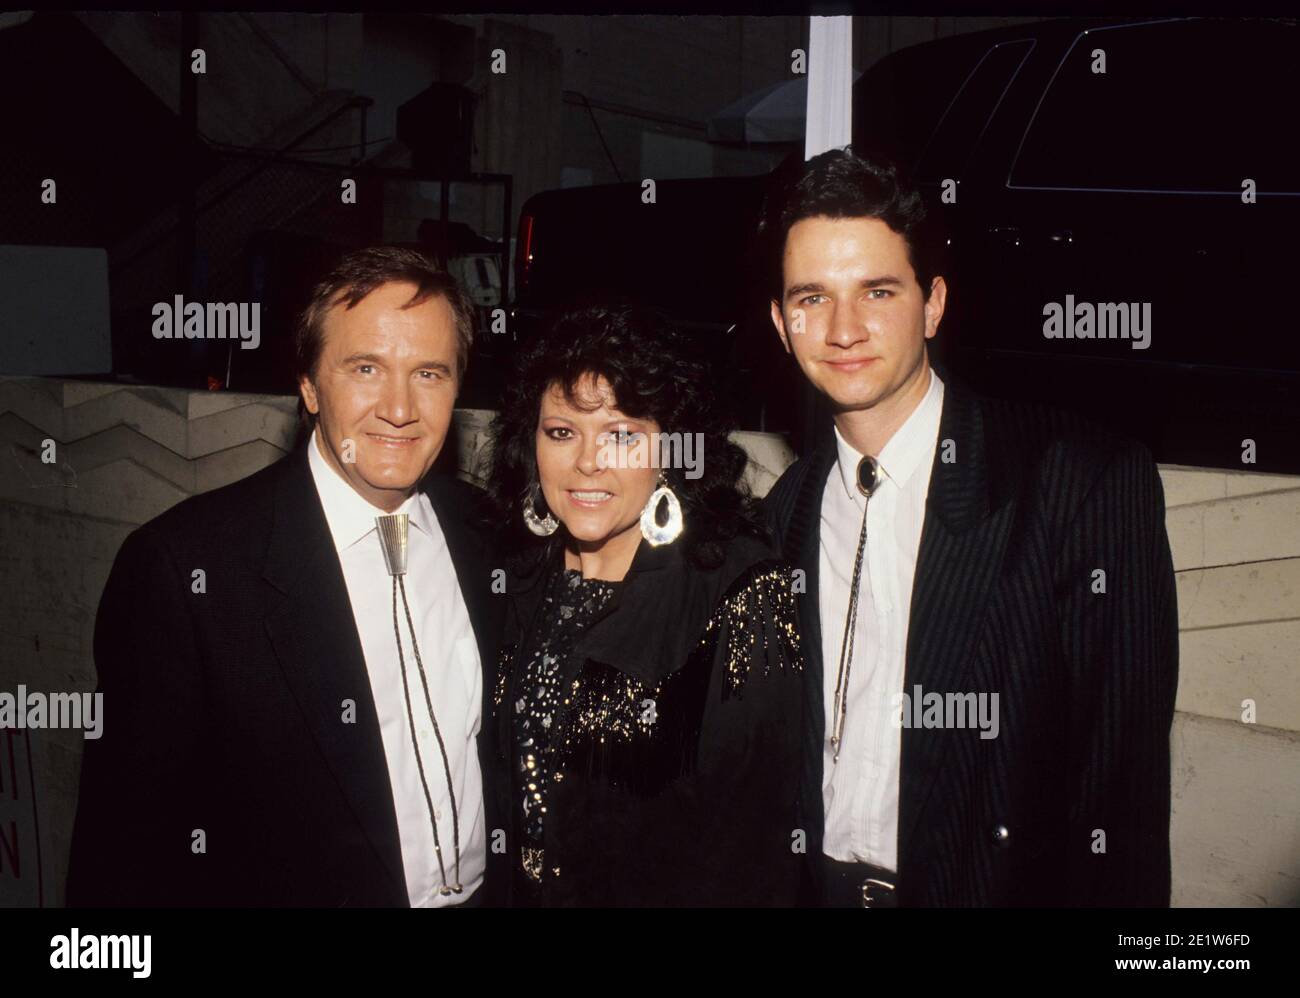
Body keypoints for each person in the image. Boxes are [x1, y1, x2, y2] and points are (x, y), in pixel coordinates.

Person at [759, 148, 1179, 907]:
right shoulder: (782, 514)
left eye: (877, 291)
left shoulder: (1078, 483)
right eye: (811, 298)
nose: (844, 328)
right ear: (781, 325)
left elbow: (1121, 805)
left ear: (933, 304)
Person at [67, 247, 504, 907]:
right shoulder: (188, 569)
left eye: (430, 373)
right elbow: (122, 855)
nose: (399, 407)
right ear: (307, 386)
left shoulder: (488, 537)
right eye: (365, 368)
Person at [484, 304, 805, 906]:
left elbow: (753, 848)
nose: (587, 461)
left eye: (623, 435)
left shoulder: (740, 589)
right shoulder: (511, 578)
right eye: (561, 432)